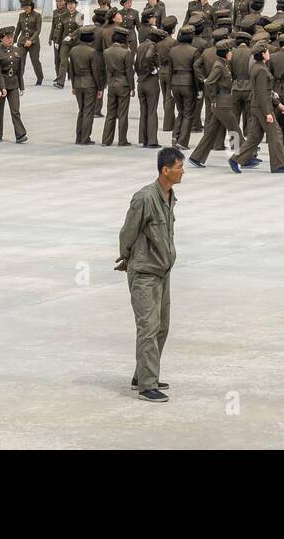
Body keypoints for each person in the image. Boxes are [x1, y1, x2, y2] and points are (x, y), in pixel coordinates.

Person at [115, 146, 183, 403]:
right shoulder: (144, 198)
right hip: (145, 273)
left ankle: (142, 374)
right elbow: (127, 233)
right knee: (148, 327)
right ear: (165, 170)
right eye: (179, 168)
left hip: (163, 272)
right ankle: (146, 385)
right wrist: (128, 257)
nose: (182, 172)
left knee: (161, 327)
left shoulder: (169, 196)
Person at [231, 43, 284, 173]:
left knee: (254, 137)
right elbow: (262, 93)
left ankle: (235, 159)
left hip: (257, 105)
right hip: (262, 107)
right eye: (267, 51)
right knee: (275, 135)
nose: (268, 53)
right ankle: (278, 166)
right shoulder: (262, 70)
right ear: (263, 54)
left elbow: (264, 92)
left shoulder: (257, 67)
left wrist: (277, 104)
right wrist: (268, 113)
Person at [102, 28, 135, 147]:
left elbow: (107, 70)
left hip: (112, 84)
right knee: (122, 114)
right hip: (123, 84)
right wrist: (132, 87)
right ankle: (122, 140)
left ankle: (106, 140)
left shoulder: (107, 52)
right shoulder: (126, 52)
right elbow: (129, 71)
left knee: (110, 113)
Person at [15, 0, 44, 85]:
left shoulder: (37, 15)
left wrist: (31, 40)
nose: (26, 9)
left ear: (31, 6)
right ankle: (19, 79)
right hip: (22, 41)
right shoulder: (21, 15)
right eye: (24, 7)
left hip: (33, 42)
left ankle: (40, 77)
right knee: (20, 61)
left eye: (27, 7)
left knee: (35, 60)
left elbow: (38, 30)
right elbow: (18, 29)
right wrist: (13, 40)